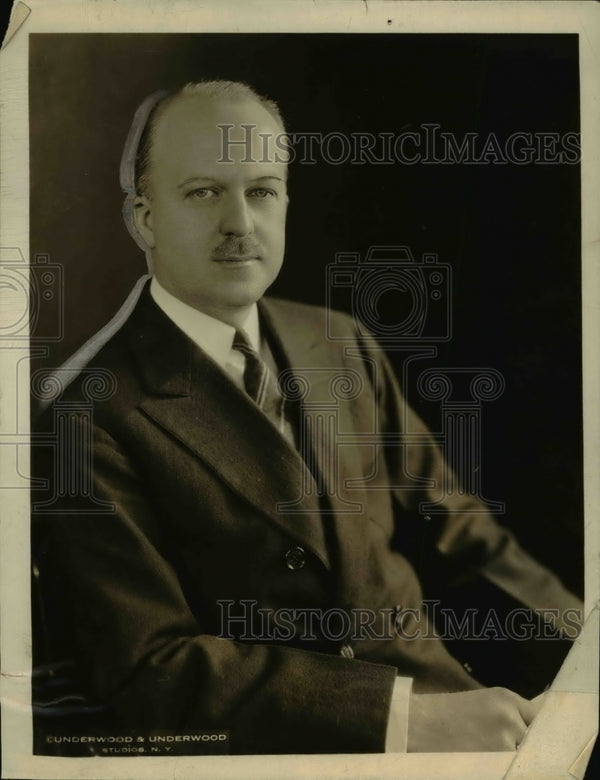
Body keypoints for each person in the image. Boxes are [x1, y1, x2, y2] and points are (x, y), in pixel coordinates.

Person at [31, 80, 582, 756]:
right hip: (301, 752)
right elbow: (152, 669)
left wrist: (581, 654)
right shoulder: (83, 415)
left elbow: (460, 533)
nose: (241, 223)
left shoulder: (338, 342)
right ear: (144, 218)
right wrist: (408, 721)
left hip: (467, 714)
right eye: (204, 192)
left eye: (262, 190)